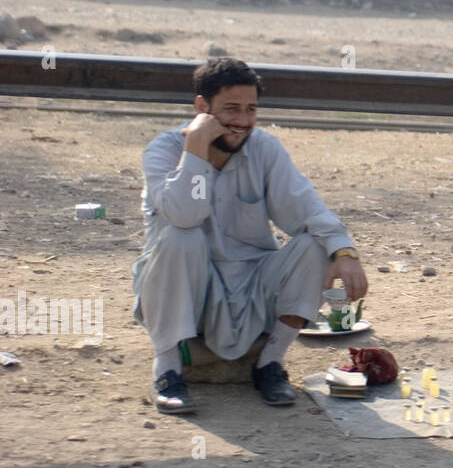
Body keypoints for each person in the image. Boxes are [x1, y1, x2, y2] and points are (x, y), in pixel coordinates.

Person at [132, 58, 368, 414]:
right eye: (231, 109)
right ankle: (167, 372)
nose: (242, 121)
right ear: (202, 108)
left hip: (252, 287)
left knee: (316, 245)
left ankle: (270, 364)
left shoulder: (264, 149)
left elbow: (307, 209)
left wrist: (346, 253)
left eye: (250, 109)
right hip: (187, 291)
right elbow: (187, 213)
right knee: (183, 236)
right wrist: (196, 146)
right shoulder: (164, 151)